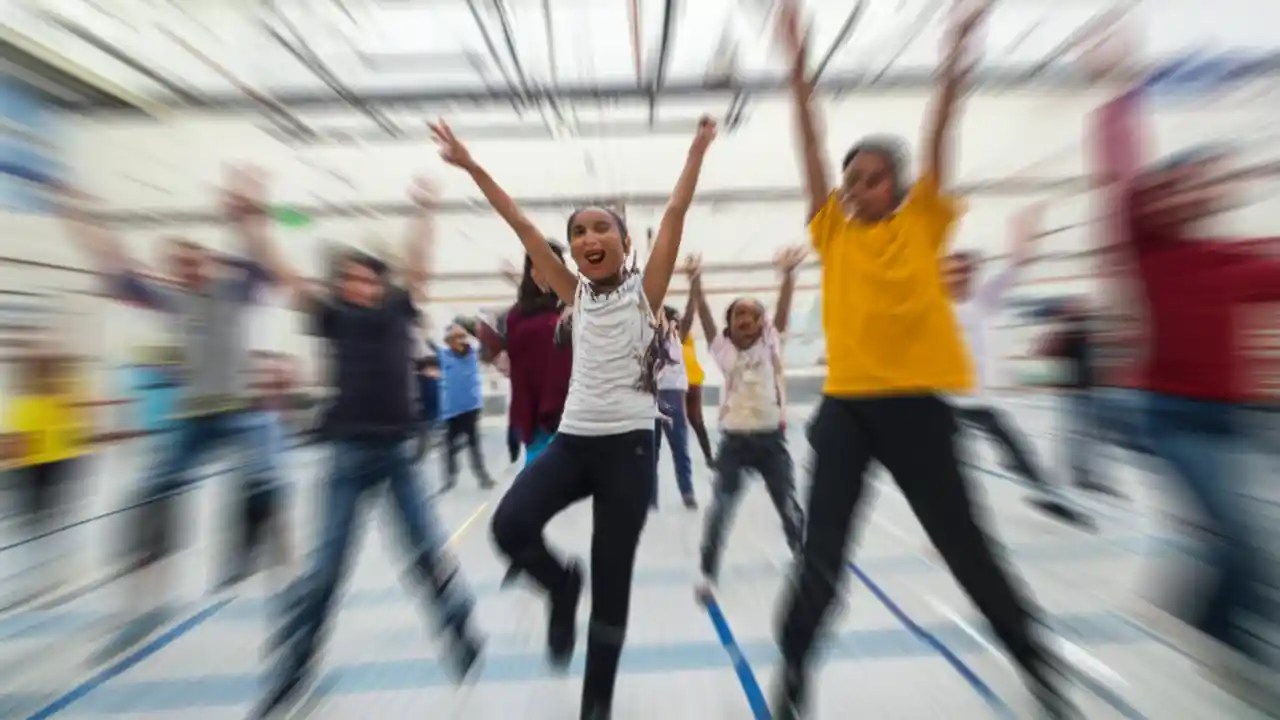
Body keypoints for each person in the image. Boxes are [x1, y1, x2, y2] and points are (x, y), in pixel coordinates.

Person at [771, 2, 1072, 718]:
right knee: (823, 557)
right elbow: (810, 148)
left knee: (968, 550)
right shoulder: (833, 232)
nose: (856, 187)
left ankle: (1038, 664)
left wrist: (954, 59)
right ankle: (793, 670)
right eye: (851, 180)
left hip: (919, 413)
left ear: (900, 185)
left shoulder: (925, 219)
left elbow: (942, 130)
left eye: (872, 177)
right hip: (846, 413)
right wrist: (797, 69)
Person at [431, 115, 716, 719]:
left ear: (623, 242)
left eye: (601, 228)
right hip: (573, 443)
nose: (589, 237)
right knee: (509, 528)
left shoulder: (647, 291)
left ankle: (596, 704)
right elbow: (523, 226)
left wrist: (695, 153)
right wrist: (472, 165)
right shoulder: (572, 292)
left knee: (613, 586)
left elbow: (674, 215)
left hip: (631, 453)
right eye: (579, 230)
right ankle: (561, 585)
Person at [247, 172, 483, 717]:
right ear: (340, 286)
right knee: (324, 574)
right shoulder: (332, 316)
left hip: (399, 457)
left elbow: (417, 267)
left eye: (369, 279)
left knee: (426, 556)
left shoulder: (397, 308)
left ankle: (459, 633)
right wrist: (256, 222)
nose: (362, 286)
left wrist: (423, 211)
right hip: (346, 460)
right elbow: (285, 279)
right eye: (351, 279)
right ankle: (292, 671)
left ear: (381, 283)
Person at [1093, 71, 1280, 707]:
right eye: (1178, 186)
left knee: (1253, 543)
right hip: (1171, 417)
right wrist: (1117, 96)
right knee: (1244, 538)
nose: (1189, 197)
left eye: (1203, 187)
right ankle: (1233, 641)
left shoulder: (1239, 258)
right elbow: (1123, 178)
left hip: (1236, 419)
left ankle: (1212, 615)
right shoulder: (1148, 251)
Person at [57, 173, 278, 660]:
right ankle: (143, 596)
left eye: (195, 262)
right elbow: (113, 261)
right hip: (193, 418)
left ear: (208, 264)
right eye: (179, 266)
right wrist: (79, 215)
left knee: (265, 475)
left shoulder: (232, 291)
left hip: (241, 410)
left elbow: (261, 256)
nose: (188, 272)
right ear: (172, 272)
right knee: (150, 494)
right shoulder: (169, 298)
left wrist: (250, 211)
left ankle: (246, 555)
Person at [946, 205, 1093, 529]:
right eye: (951, 272)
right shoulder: (932, 306)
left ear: (973, 273)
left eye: (964, 271)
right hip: (944, 404)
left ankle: (1048, 497)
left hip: (979, 401)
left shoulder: (982, 300)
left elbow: (1017, 264)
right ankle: (952, 525)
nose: (958, 277)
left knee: (1016, 453)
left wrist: (1026, 233)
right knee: (951, 470)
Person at [685, 249, 806, 599]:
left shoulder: (771, 346)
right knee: (720, 510)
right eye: (739, 314)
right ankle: (708, 572)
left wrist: (788, 277)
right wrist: (695, 282)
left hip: (771, 443)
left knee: (787, 504)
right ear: (730, 323)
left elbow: (781, 317)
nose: (746, 320)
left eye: (753, 316)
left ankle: (802, 556)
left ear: (762, 324)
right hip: (734, 444)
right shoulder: (724, 352)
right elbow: (706, 320)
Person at [0, 345, 91, 604]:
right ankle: (40, 574)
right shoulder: (46, 401)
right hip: (44, 466)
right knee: (38, 521)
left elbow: (18, 438)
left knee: (39, 520)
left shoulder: (40, 401)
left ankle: (42, 575)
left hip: (46, 466)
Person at [485, 248, 574, 468]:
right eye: (536, 266)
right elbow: (516, 362)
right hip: (534, 413)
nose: (543, 272)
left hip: (571, 410)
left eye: (551, 266)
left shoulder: (572, 307)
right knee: (537, 483)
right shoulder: (517, 314)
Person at [439, 323, 495, 491]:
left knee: (473, 445)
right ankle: (450, 479)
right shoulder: (444, 356)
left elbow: (482, 342)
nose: (459, 340)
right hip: (452, 410)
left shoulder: (472, 353)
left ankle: (483, 477)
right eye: (455, 338)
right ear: (449, 341)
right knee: (449, 447)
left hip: (470, 408)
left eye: (461, 337)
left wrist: (465, 332)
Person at [653, 304, 697, 510]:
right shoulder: (659, 338)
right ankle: (683, 493)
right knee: (672, 448)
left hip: (665, 395)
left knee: (672, 448)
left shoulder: (676, 339)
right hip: (664, 395)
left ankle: (683, 492)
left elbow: (688, 317)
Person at [679, 301, 717, 471]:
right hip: (678, 385)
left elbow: (689, 315)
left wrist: (694, 293)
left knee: (696, 422)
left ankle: (708, 456)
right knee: (688, 423)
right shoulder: (666, 338)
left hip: (691, 382)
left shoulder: (683, 337)